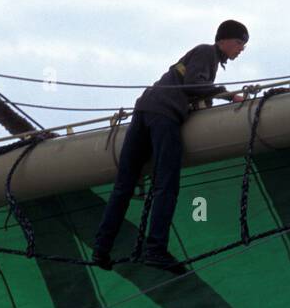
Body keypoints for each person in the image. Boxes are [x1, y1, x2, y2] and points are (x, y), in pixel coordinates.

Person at [92, 21, 249, 274]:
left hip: (143, 111)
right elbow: (193, 85)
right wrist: (228, 95)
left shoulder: (202, 56)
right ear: (223, 41)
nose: (241, 49)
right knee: (166, 183)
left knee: (124, 185)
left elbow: (192, 87)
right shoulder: (207, 52)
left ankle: (101, 248)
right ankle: (155, 250)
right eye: (240, 43)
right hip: (164, 114)